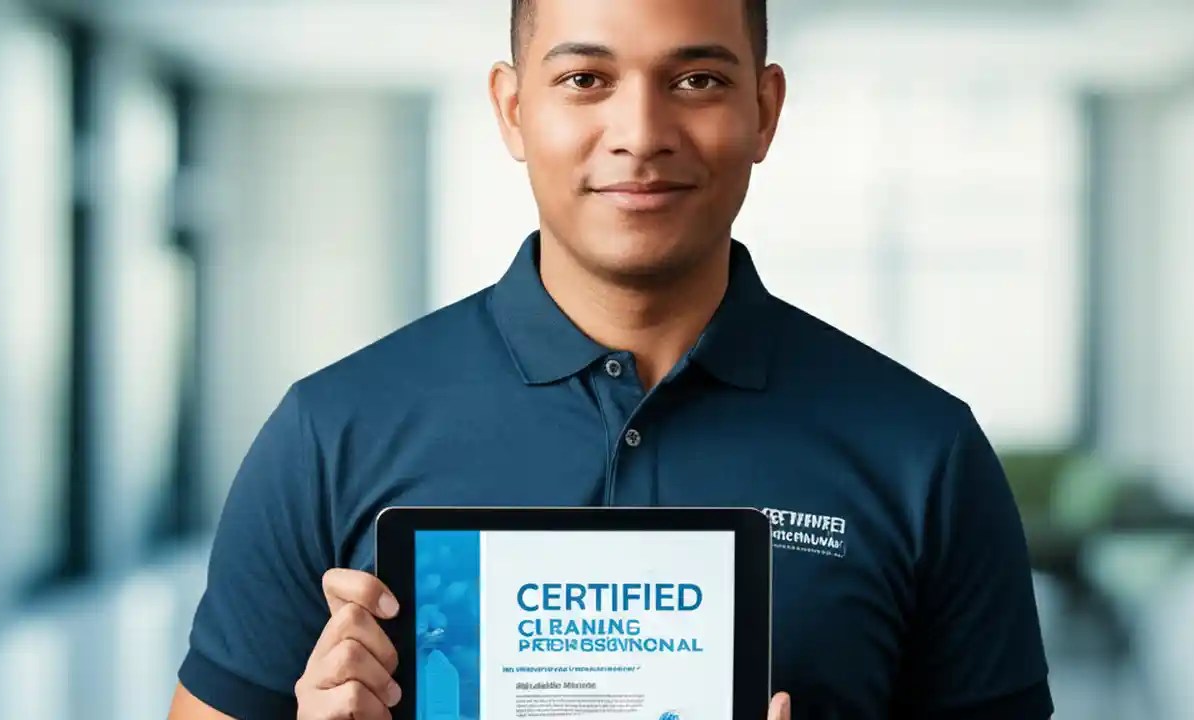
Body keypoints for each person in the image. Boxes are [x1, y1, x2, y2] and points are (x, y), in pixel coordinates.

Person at [168, 0, 1053, 718]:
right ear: (514, 109)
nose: (640, 132)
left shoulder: (923, 451)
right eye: (585, 79)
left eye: (697, 79)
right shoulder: (330, 431)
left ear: (765, 109)